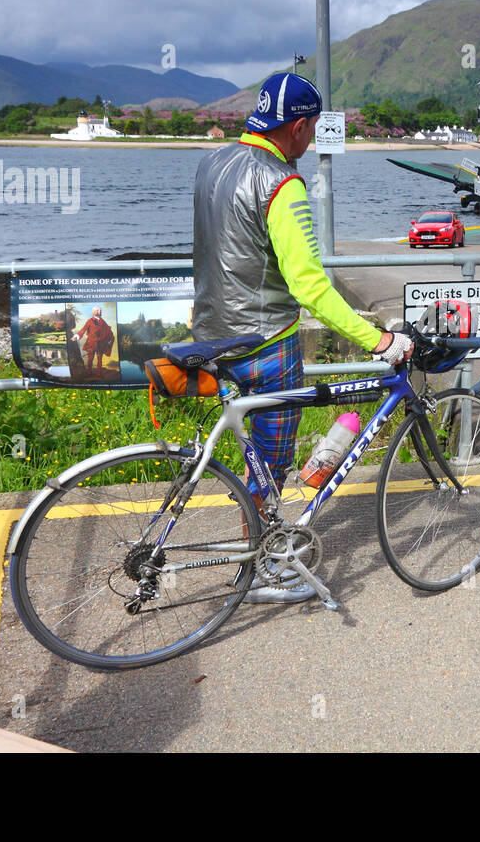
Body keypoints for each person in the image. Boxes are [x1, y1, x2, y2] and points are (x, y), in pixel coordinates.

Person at [192, 73, 413, 603]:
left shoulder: (212, 163)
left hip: (213, 336)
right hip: (265, 342)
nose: (311, 141)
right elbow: (311, 286)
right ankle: (263, 572)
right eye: (310, 129)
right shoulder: (282, 186)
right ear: (298, 125)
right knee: (270, 468)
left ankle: (256, 556)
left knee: (254, 466)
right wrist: (376, 340)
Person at [74, 306, 114, 376]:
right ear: (93, 312)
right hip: (91, 343)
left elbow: (108, 331)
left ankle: (99, 373)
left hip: (100, 344)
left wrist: (111, 339)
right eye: (96, 310)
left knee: (99, 359)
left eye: (99, 310)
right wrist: (76, 336)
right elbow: (83, 329)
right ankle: (89, 372)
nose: (98, 312)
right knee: (90, 358)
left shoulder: (103, 322)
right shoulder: (89, 321)